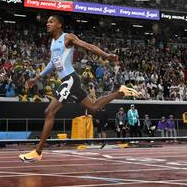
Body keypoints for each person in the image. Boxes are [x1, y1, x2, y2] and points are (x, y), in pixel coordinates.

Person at [19, 15, 137, 162]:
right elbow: (52, 63)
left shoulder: (67, 37)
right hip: (68, 81)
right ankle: (121, 92)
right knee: (93, 108)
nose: (47, 24)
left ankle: (38, 152)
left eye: (51, 21)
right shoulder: (53, 42)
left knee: (49, 111)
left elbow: (88, 46)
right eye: (47, 21)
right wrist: (36, 78)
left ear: (59, 25)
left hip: (70, 79)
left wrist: (106, 55)